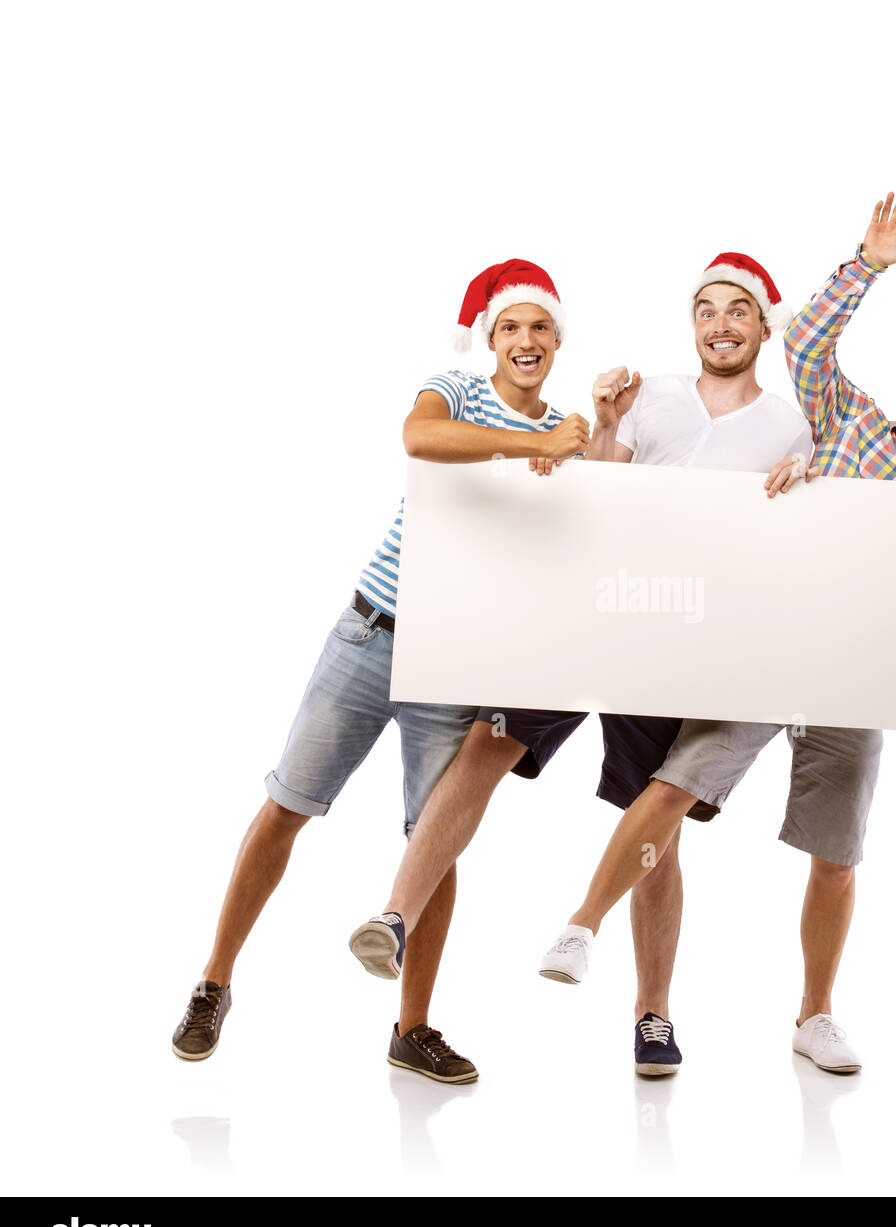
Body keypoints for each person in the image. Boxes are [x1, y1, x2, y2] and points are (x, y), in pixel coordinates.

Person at [538, 191, 896, 1076]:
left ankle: (816, 1014)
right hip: (770, 646)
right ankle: (582, 925)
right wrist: (867, 263)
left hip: (855, 673)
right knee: (676, 785)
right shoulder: (849, 421)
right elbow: (808, 342)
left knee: (836, 853)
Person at [350, 251, 811, 1076]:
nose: (720, 323)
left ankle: (653, 1016)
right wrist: (601, 422)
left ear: (762, 325)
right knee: (488, 742)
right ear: (693, 323)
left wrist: (809, 477)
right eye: (706, 309)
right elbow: (597, 490)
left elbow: (789, 535)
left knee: (655, 824)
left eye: (737, 309)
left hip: (680, 637)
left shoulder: (787, 424)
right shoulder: (649, 394)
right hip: (593, 607)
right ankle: (392, 915)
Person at [172, 259, 589, 1083]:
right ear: (491, 338)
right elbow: (420, 438)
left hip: (453, 659)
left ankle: (413, 1027)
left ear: (559, 338)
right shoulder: (456, 391)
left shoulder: (570, 430)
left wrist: (578, 438)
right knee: (288, 804)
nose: (527, 339)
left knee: (431, 846)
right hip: (372, 634)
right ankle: (214, 981)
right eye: (511, 327)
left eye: (541, 326)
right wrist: (531, 443)